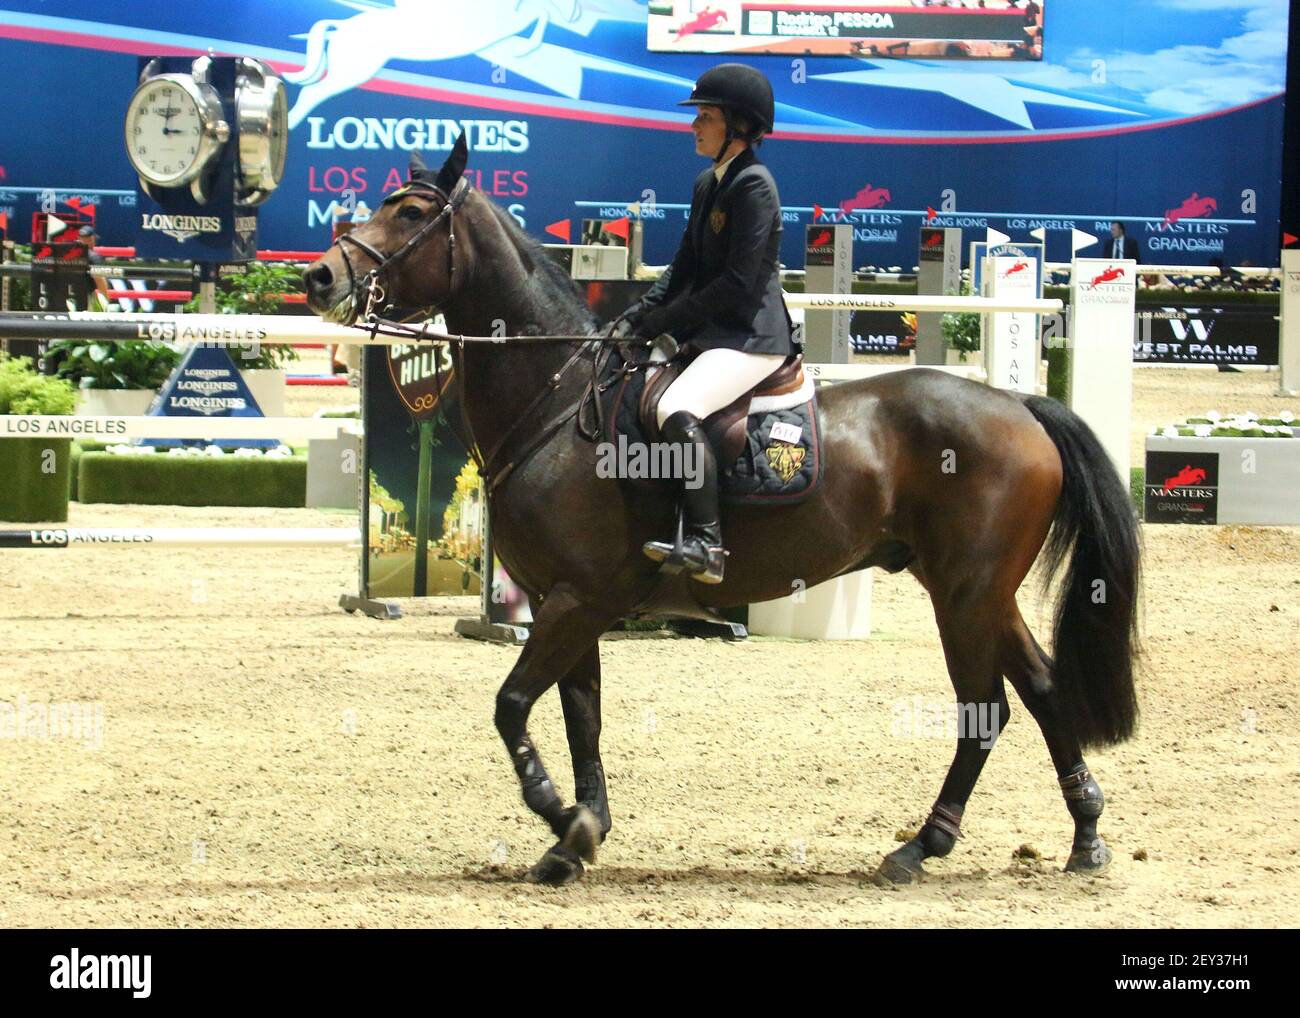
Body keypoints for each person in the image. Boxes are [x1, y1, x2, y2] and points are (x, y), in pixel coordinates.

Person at [610, 63, 797, 585]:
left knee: (676, 405)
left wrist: (666, 321)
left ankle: (707, 543)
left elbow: (737, 283)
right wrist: (636, 316)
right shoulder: (706, 183)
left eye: (705, 117)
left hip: (751, 337)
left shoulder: (754, 185)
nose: (693, 126)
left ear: (737, 126)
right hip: (716, 334)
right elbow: (683, 269)